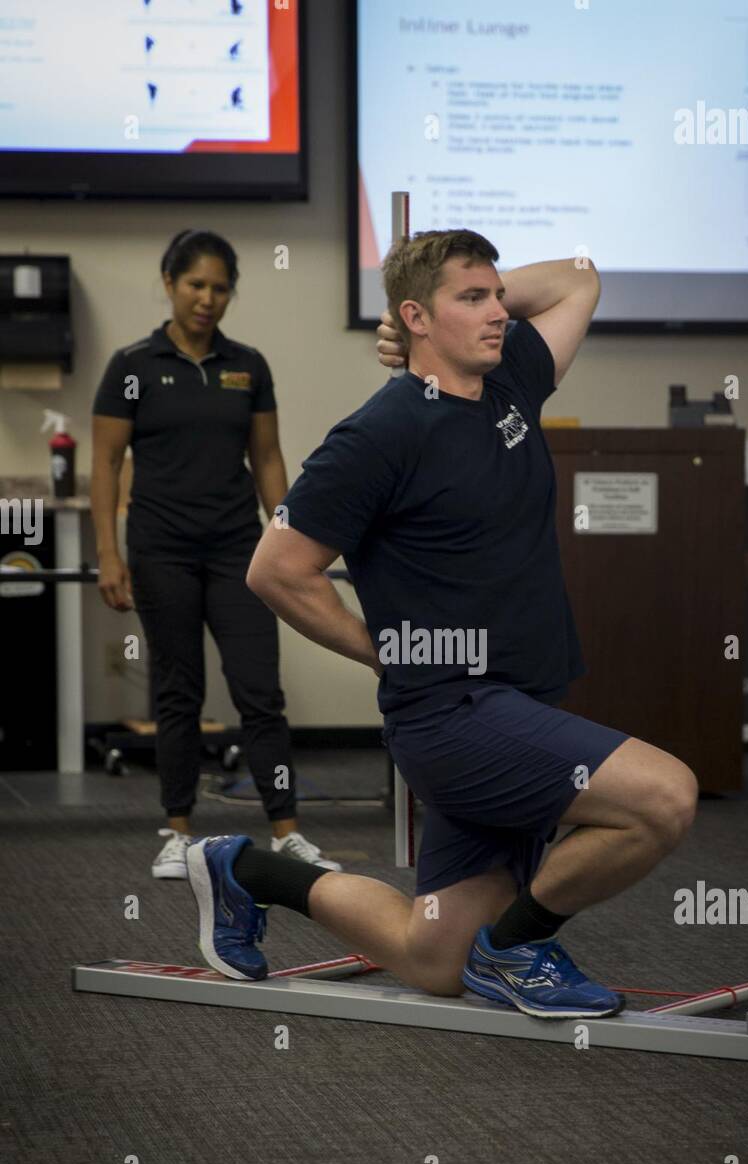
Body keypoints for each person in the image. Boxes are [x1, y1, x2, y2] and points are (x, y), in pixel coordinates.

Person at [185, 229, 698, 1018]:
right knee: (664, 798)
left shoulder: (513, 383)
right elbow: (276, 570)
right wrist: (382, 651)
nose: (499, 313)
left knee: (434, 959)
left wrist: (446, 301)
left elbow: (580, 279)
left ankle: (247, 871)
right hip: (452, 715)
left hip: (519, 706)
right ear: (420, 319)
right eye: (474, 299)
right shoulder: (379, 435)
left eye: (498, 296)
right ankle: (519, 948)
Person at [91, 229, 341, 879]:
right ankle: (176, 831)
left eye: (220, 287)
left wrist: (290, 539)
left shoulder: (248, 366)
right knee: (179, 693)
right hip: (160, 548)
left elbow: (267, 457)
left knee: (260, 691)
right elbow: (105, 462)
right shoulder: (132, 366)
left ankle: (286, 831)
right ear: (170, 283)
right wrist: (108, 556)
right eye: (195, 285)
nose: (207, 298)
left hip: (239, 550)